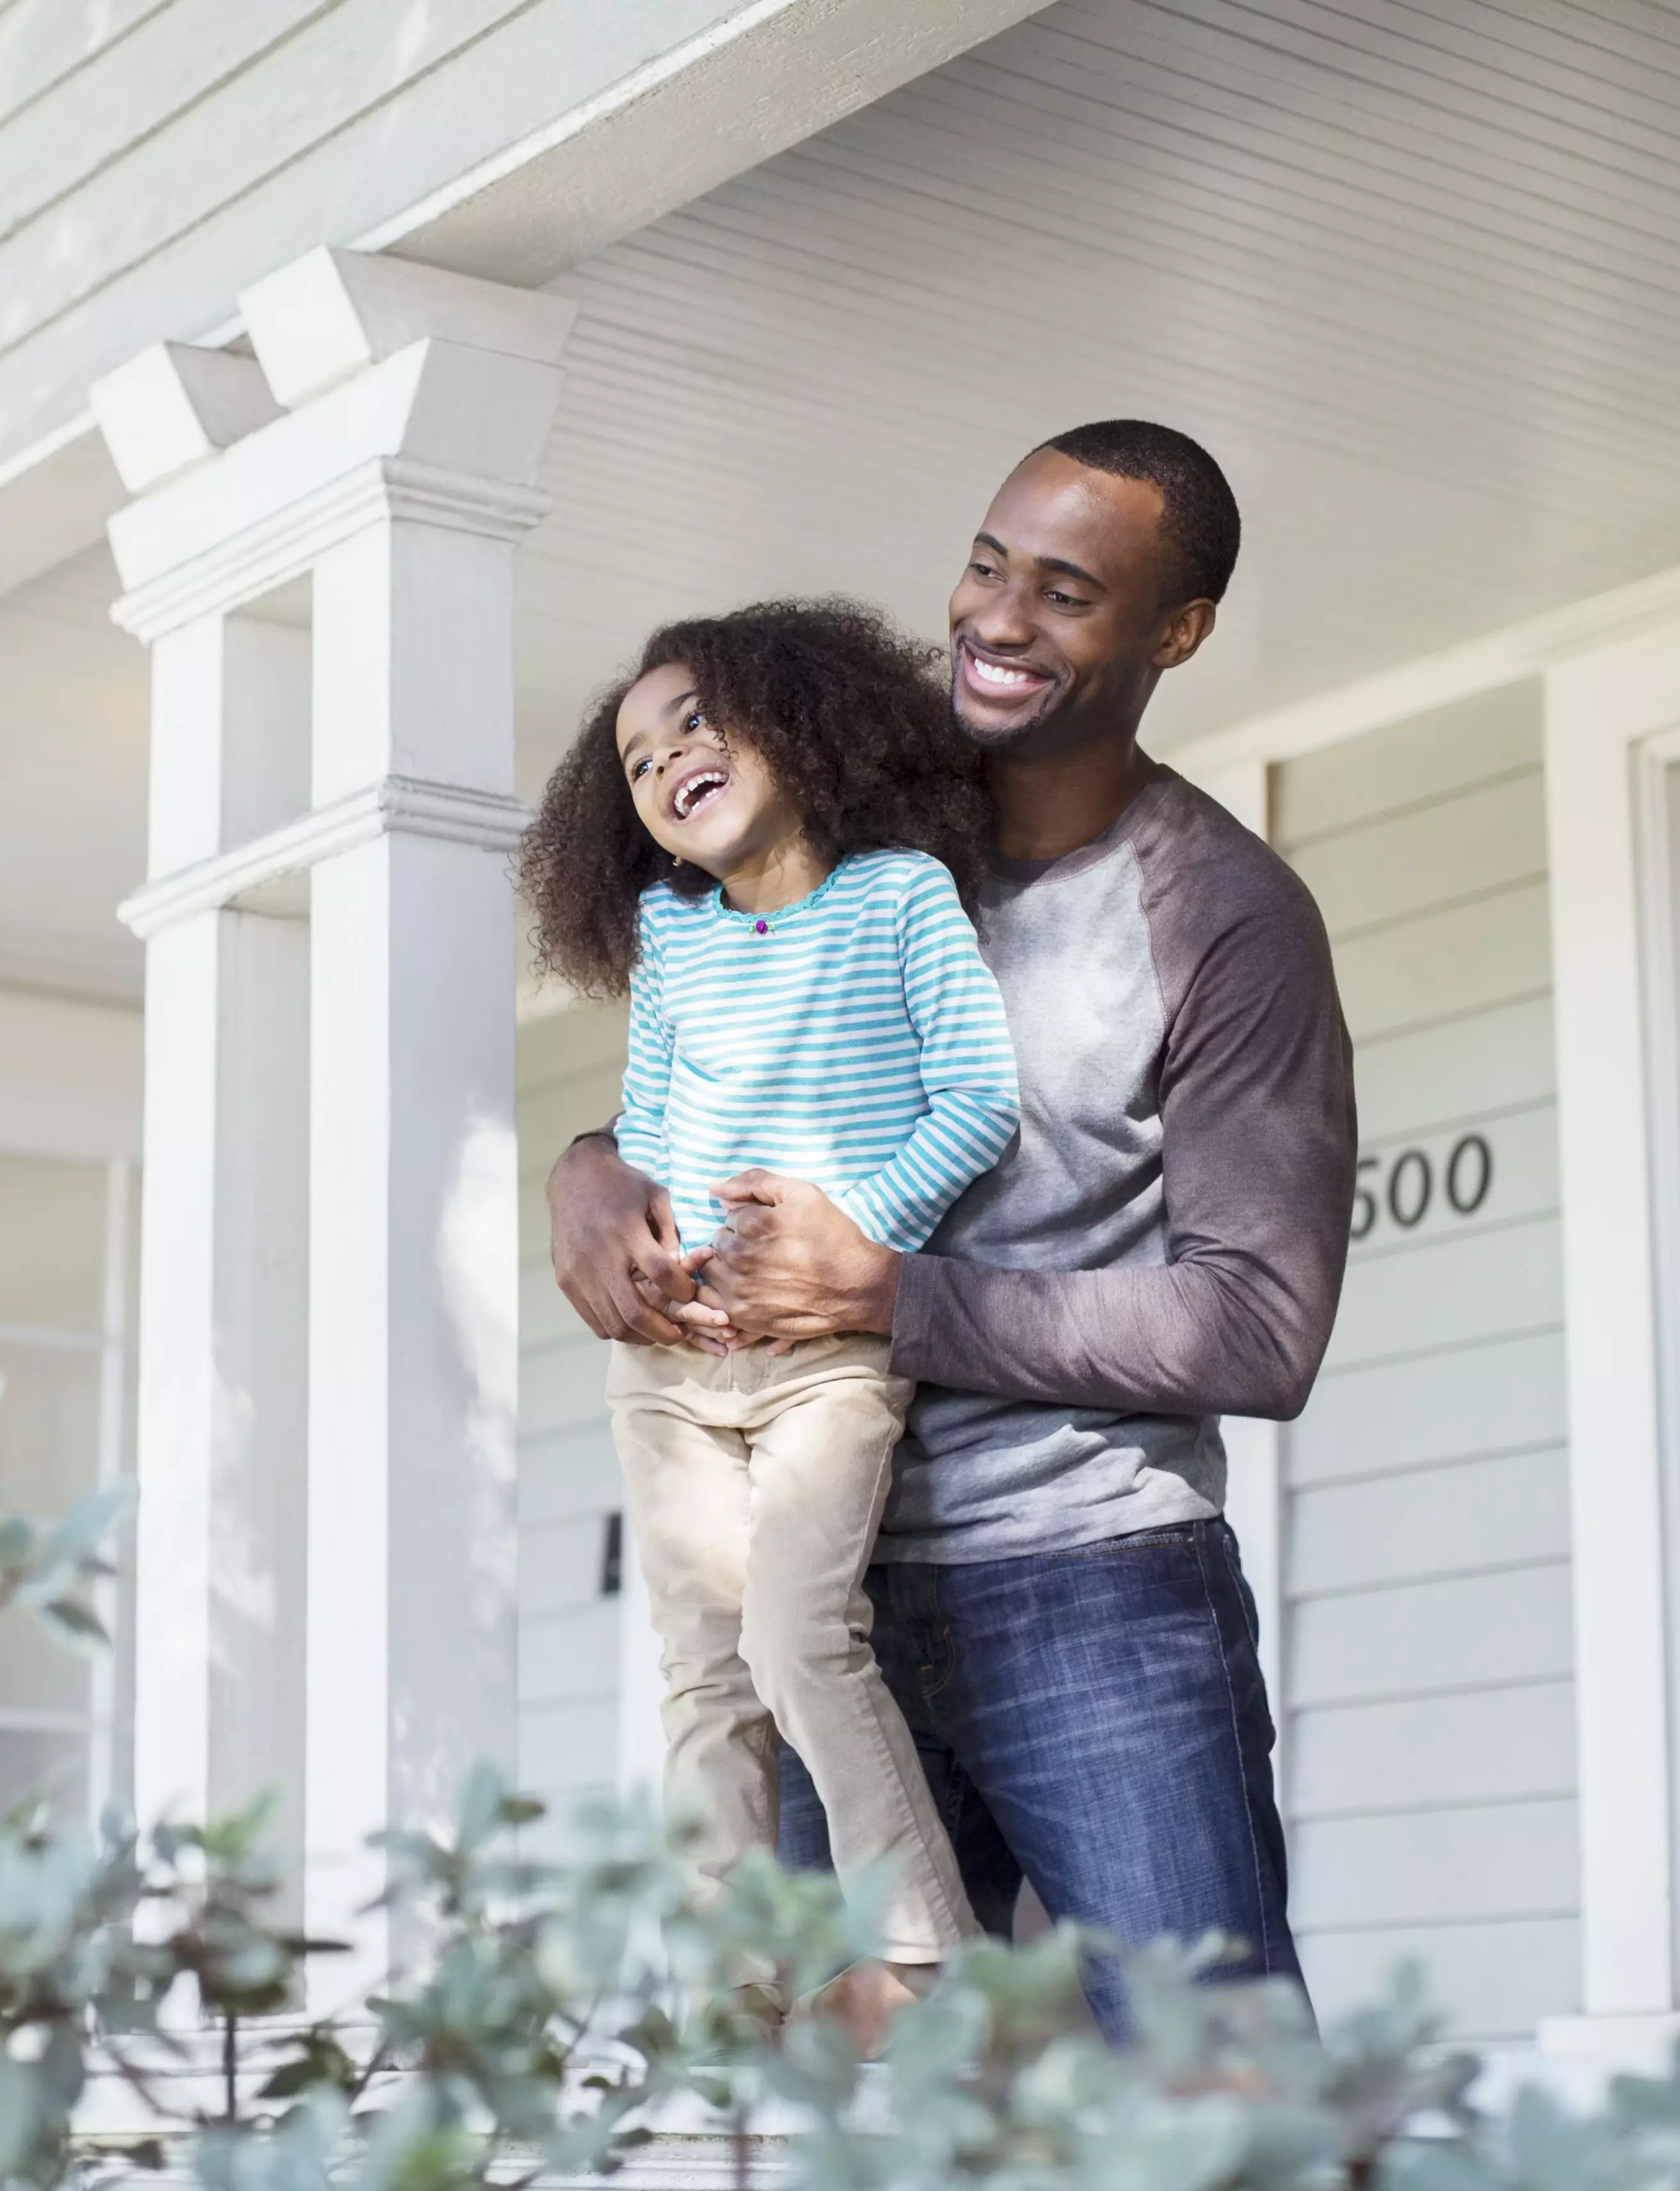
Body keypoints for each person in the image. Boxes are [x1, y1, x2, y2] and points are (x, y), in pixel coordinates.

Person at [545, 422, 1356, 2038]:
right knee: (847, 2105)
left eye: (1066, 593)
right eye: (989, 564)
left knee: (1211, 2102)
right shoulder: (841, 820)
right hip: (811, 1582)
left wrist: (894, 1296)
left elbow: (1259, 1327)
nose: (995, 619)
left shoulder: (1222, 911)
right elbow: (711, 1088)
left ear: (1174, 631)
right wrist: (585, 1171)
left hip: (1088, 1592)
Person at [516, 600, 1019, 2052]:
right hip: (674, 1367)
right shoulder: (676, 939)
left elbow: (977, 1101)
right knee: (701, 1674)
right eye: (633, 759)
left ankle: (924, 1954)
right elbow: (658, 1126)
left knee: (801, 1639)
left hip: (822, 1359)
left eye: (696, 721)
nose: (667, 757)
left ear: (800, 730)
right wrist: (649, 1249)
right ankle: (724, 1997)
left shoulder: (901, 899)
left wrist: (853, 1236)